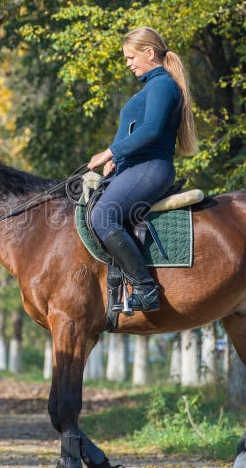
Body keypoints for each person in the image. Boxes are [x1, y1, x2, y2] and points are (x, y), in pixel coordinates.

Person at [87, 27, 198, 313]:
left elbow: (150, 131)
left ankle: (147, 290)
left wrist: (110, 152)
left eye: (130, 57)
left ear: (149, 53)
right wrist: (117, 160)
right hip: (135, 167)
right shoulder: (151, 87)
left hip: (152, 168)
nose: (128, 63)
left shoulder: (162, 86)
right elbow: (133, 131)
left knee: (103, 215)